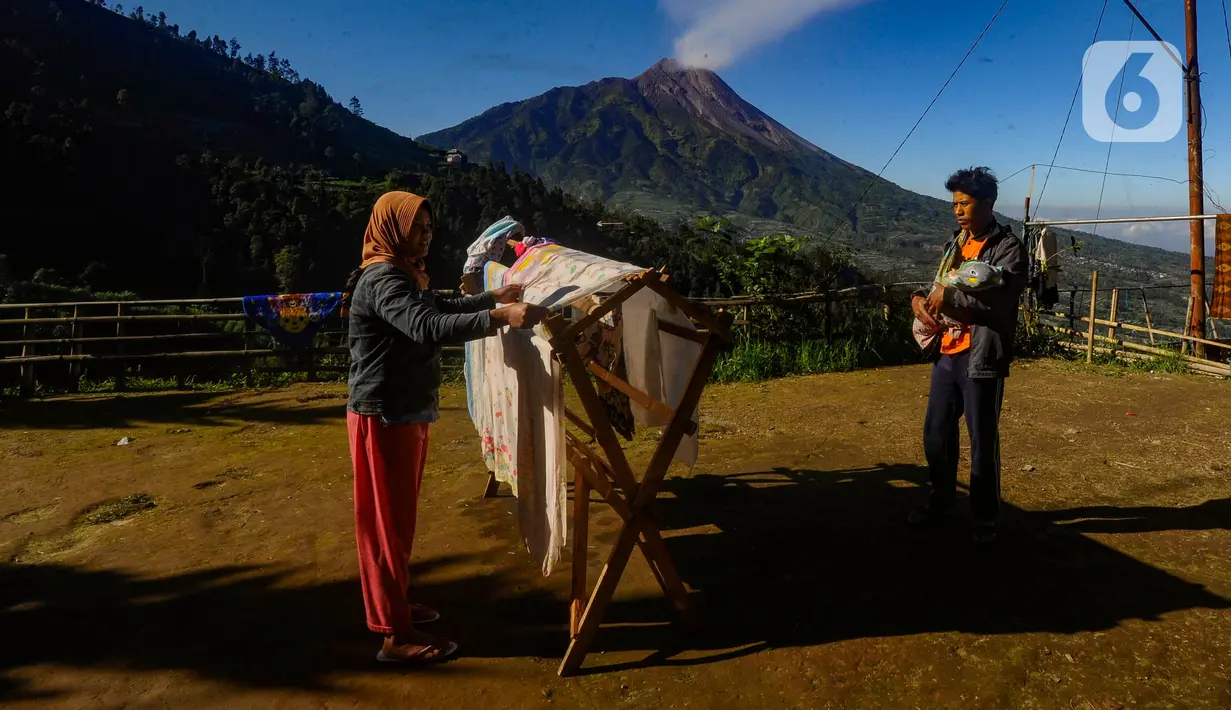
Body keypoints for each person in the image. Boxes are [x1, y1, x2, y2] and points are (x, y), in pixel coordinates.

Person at [342, 191, 548, 664]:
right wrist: (498, 316)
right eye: (416, 227)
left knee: (399, 522)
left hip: (403, 412)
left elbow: (436, 305)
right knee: (385, 527)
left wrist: (488, 297)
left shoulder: (403, 275)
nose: (425, 236)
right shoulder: (383, 278)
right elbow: (426, 325)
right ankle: (395, 637)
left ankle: (394, 605)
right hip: (384, 416)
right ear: (392, 228)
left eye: (429, 228)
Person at [908, 167, 1027, 543]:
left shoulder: (1008, 247)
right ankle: (941, 499)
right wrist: (918, 299)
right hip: (947, 351)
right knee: (936, 434)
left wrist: (951, 298)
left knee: (982, 440)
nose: (958, 210)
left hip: (981, 356)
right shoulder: (955, 243)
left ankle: (985, 516)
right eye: (955, 203)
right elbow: (938, 284)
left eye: (965, 203)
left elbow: (1003, 300)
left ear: (988, 203)